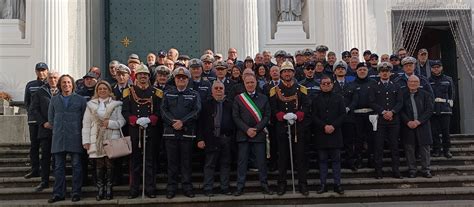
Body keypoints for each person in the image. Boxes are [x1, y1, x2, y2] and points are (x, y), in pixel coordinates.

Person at [122, 64, 163, 199]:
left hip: (150, 131)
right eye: (140, 75)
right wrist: (134, 120)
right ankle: (134, 190)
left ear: (148, 77)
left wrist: (151, 119)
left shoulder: (156, 92)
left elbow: (159, 111)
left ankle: (150, 188)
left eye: (145, 75)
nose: (143, 77)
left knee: (149, 161)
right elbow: (125, 111)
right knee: (134, 161)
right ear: (137, 77)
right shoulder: (128, 92)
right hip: (135, 131)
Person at [269, 60, 310, 196]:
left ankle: (302, 184)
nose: (287, 73)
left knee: (300, 157)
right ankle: (282, 184)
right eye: (284, 71)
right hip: (282, 128)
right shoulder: (274, 90)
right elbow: (273, 108)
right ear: (281, 74)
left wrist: (297, 115)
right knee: (282, 157)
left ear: (293, 73)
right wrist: (282, 116)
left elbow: (306, 106)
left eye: (289, 71)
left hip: (297, 128)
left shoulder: (301, 88)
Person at [161, 67, 201, 199]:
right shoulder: (167, 93)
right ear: (175, 79)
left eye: (184, 78)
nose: (181, 80)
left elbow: (196, 111)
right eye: (178, 78)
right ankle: (171, 187)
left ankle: (187, 186)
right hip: (170, 133)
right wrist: (173, 122)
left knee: (186, 162)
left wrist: (182, 122)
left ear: (188, 80)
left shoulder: (194, 94)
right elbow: (163, 110)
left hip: (187, 133)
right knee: (171, 162)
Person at [82, 81, 126, 201]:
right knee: (99, 164)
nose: (102, 91)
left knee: (110, 163)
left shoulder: (116, 105)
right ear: (97, 91)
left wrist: (110, 123)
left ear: (109, 90)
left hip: (111, 137)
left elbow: (122, 121)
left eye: (105, 89)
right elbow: (86, 124)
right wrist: (85, 141)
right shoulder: (90, 105)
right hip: (95, 138)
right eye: (100, 89)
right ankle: (100, 188)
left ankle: (109, 188)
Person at [47, 74, 87, 203]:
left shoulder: (81, 100)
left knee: (76, 166)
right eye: (64, 82)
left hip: (75, 136)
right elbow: (51, 118)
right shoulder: (54, 100)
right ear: (60, 84)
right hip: (59, 137)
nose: (66, 85)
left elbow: (85, 119)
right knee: (58, 167)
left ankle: (76, 192)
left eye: (69, 82)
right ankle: (59, 193)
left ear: (72, 84)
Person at [233, 74, 272, 196]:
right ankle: (240, 186)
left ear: (256, 83)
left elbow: (267, 116)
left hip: (258, 134)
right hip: (243, 135)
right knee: (242, 162)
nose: (250, 84)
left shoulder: (263, 98)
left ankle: (264, 185)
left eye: (252, 82)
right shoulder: (238, 99)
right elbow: (236, 117)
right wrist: (247, 129)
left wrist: (256, 129)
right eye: (247, 82)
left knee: (261, 162)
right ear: (244, 84)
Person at [197, 81, 234, 197]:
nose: (218, 90)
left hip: (226, 139)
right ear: (212, 91)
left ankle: (224, 187)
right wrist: (200, 139)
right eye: (216, 88)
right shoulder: (205, 104)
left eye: (220, 88)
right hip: (211, 139)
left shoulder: (230, 104)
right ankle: (208, 188)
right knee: (209, 164)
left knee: (225, 164)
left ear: (224, 90)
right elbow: (200, 124)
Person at [311, 76, 346, 195]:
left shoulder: (339, 98)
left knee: (336, 161)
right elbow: (313, 116)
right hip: (321, 134)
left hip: (335, 133)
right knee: (322, 161)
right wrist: (324, 126)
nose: (326, 85)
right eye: (323, 84)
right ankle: (323, 184)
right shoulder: (315, 99)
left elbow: (342, 114)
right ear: (320, 85)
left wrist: (333, 126)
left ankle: (337, 184)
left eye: (328, 83)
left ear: (332, 84)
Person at [369, 62, 403, 179]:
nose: (385, 73)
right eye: (382, 71)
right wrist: (383, 112)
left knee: (394, 146)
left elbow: (400, 102)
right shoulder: (374, 86)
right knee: (378, 147)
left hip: (393, 120)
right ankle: (378, 171)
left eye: (387, 71)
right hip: (380, 120)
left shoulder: (396, 86)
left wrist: (392, 112)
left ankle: (396, 171)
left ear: (390, 73)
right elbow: (372, 102)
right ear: (379, 73)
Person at [29, 70, 59, 192]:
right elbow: (34, 109)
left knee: (58, 158)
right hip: (45, 129)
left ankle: (58, 182)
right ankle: (44, 181)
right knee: (45, 157)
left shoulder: (64, 91)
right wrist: (43, 122)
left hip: (60, 130)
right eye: (51, 78)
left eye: (55, 78)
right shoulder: (40, 92)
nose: (53, 80)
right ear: (47, 78)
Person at [400, 75, 434, 178]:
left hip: (422, 125)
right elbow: (400, 110)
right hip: (408, 126)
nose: (413, 83)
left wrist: (418, 121)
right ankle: (412, 170)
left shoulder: (426, 95)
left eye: (415, 82)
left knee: (425, 148)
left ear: (419, 83)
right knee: (409, 148)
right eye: (411, 82)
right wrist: (408, 122)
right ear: (407, 83)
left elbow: (429, 110)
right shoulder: (402, 95)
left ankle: (426, 170)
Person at [24, 62, 48, 179]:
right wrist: (33, 114)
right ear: (36, 72)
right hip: (34, 121)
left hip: (46, 122)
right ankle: (35, 169)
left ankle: (46, 170)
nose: (41, 72)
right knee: (34, 146)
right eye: (39, 70)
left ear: (47, 71)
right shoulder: (30, 85)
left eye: (43, 70)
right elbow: (27, 102)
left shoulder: (50, 85)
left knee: (46, 147)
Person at [350, 62, 377, 169]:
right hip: (357, 115)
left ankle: (371, 159)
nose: (362, 71)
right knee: (358, 139)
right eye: (360, 69)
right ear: (356, 71)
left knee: (371, 139)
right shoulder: (351, 84)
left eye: (364, 70)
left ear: (367, 71)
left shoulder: (374, 83)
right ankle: (359, 159)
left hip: (371, 114)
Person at [332, 61, 357, 171]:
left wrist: (349, 108)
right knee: (336, 142)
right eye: (338, 69)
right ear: (334, 71)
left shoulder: (351, 85)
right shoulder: (331, 85)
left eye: (342, 68)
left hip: (348, 117)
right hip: (336, 118)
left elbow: (355, 99)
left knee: (349, 141)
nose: (340, 70)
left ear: (346, 71)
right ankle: (337, 162)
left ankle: (350, 162)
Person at [429, 60, 455, 158]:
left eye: (438, 67)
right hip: (433, 109)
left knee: (445, 131)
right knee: (434, 131)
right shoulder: (428, 80)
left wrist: (450, 104)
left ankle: (447, 150)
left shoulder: (448, 79)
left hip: (445, 108)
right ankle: (436, 149)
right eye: (434, 67)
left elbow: (452, 93)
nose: (436, 69)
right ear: (431, 68)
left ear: (441, 67)